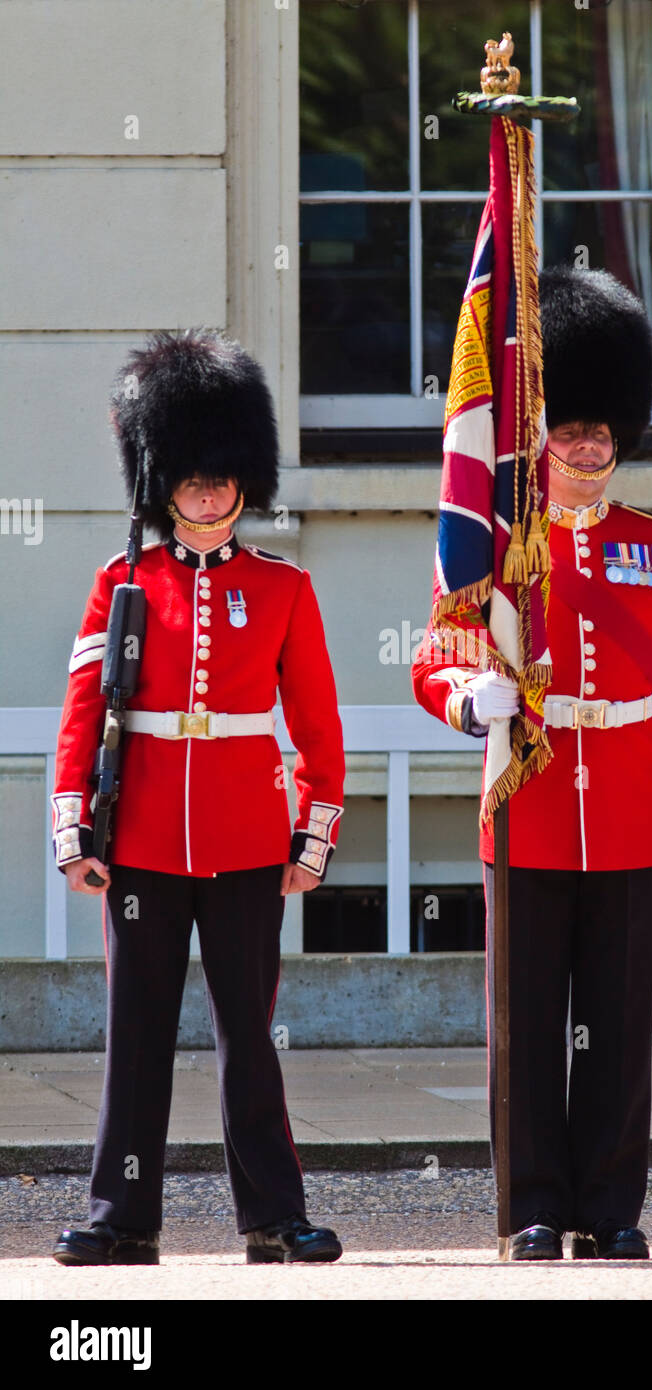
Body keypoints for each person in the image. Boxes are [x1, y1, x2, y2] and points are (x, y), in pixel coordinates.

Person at [412, 267, 652, 1261]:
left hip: (625, 812)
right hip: (529, 805)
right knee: (526, 1029)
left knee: (619, 1031)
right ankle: (532, 1206)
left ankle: (611, 1207)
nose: (584, 446)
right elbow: (432, 657)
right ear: (538, 436)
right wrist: (466, 700)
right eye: (567, 428)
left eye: (598, 431)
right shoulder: (502, 550)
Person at [50, 328, 345, 1266]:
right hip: (139, 839)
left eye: (221, 477)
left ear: (242, 479)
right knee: (135, 1037)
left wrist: (314, 829)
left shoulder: (284, 589)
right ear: (162, 479)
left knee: (248, 1040)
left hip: (249, 840)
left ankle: (272, 1216)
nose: (208, 492)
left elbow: (316, 725)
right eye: (190, 475)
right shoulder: (122, 584)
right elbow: (84, 712)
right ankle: (121, 1220)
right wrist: (73, 823)